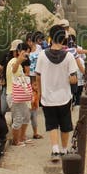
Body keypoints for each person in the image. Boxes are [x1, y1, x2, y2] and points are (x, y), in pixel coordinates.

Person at [35, 24, 84, 162]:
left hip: (47, 97)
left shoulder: (42, 56)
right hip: (64, 97)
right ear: (63, 40)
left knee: (52, 124)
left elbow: (38, 76)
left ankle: (55, 149)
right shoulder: (69, 56)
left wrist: (39, 92)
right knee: (65, 124)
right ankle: (63, 149)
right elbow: (74, 78)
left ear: (51, 38)